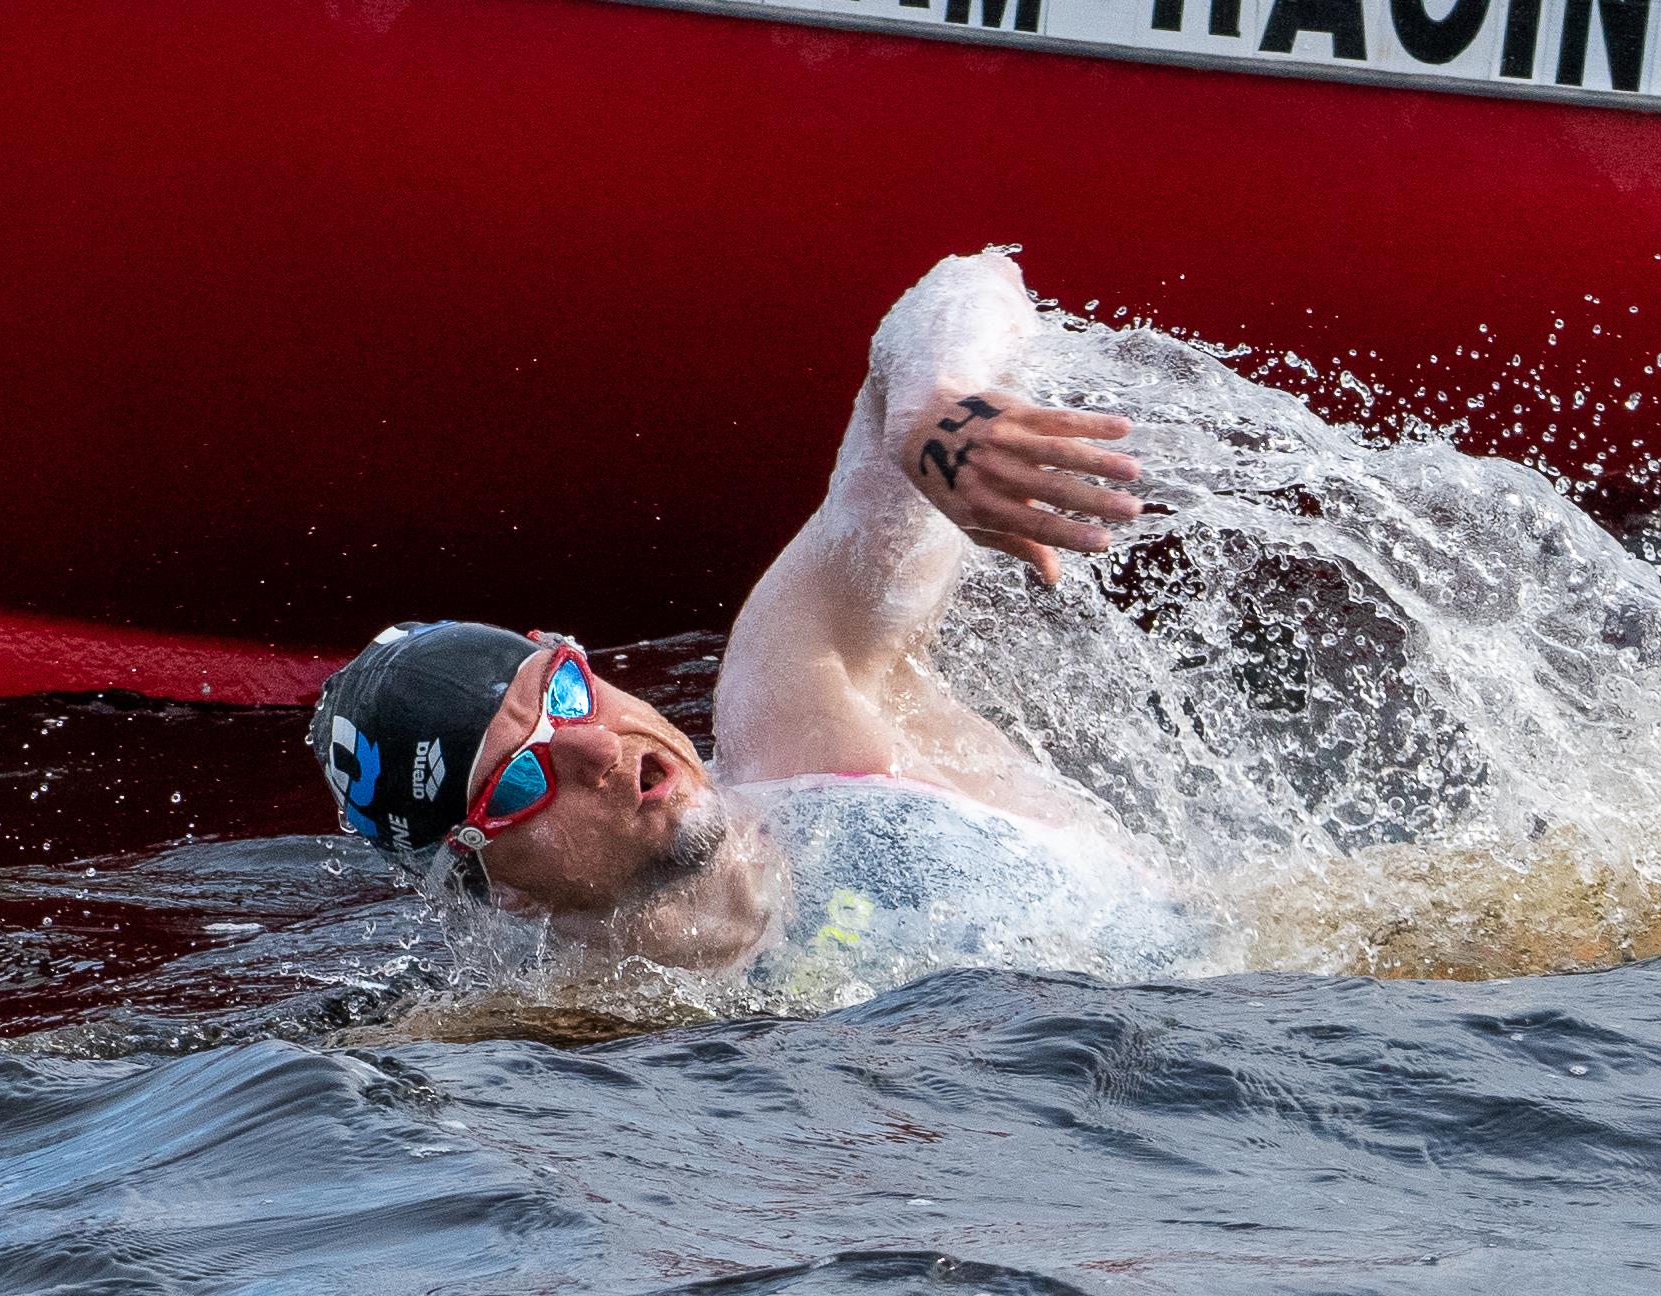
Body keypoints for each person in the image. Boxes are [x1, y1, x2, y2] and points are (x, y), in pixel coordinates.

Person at [310, 253, 1188, 984]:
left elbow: (970, 280)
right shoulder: (581, 1038)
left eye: (567, 694)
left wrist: (933, 410)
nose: (596, 749)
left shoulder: (803, 722)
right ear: (501, 888)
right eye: (517, 783)